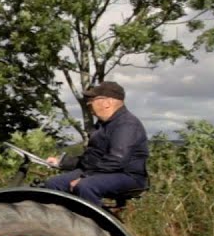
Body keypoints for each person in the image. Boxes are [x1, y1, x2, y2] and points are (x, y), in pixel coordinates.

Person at [44, 81, 148, 209]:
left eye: (92, 100)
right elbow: (92, 158)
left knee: (85, 186)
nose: (89, 105)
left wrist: (85, 177)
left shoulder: (126, 124)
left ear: (107, 103)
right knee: (53, 184)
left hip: (127, 175)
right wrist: (62, 162)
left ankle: (95, 226)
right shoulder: (103, 125)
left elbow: (116, 160)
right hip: (103, 172)